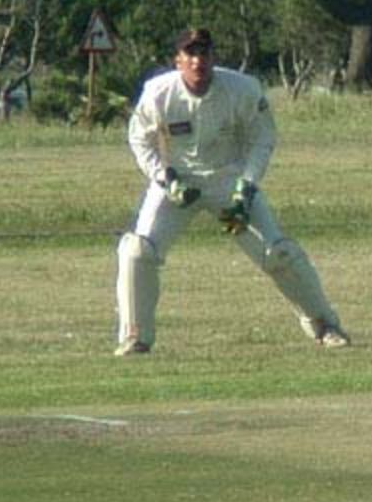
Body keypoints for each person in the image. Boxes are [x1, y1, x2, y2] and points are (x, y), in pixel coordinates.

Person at [114, 28, 348, 355]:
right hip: (179, 188)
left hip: (229, 187)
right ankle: (135, 337)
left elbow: (262, 138)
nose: (198, 61)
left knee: (276, 253)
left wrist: (247, 186)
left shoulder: (242, 89)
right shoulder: (158, 92)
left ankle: (325, 326)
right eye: (190, 54)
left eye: (204, 53)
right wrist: (165, 179)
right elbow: (140, 139)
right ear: (178, 60)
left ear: (213, 57)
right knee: (139, 251)